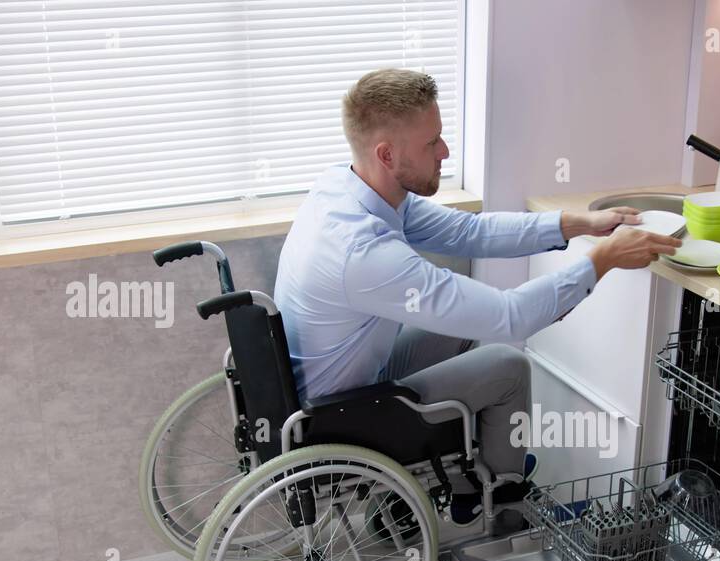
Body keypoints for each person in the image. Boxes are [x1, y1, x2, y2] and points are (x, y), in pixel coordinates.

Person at [274, 68, 680, 523]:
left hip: (329, 386)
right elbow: (511, 318)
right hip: (345, 417)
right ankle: (503, 506)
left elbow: (470, 231)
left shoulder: (347, 189)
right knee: (508, 366)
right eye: (432, 143)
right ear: (386, 154)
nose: (445, 151)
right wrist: (601, 260)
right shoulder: (362, 252)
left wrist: (577, 223)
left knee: (458, 330)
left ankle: (472, 481)